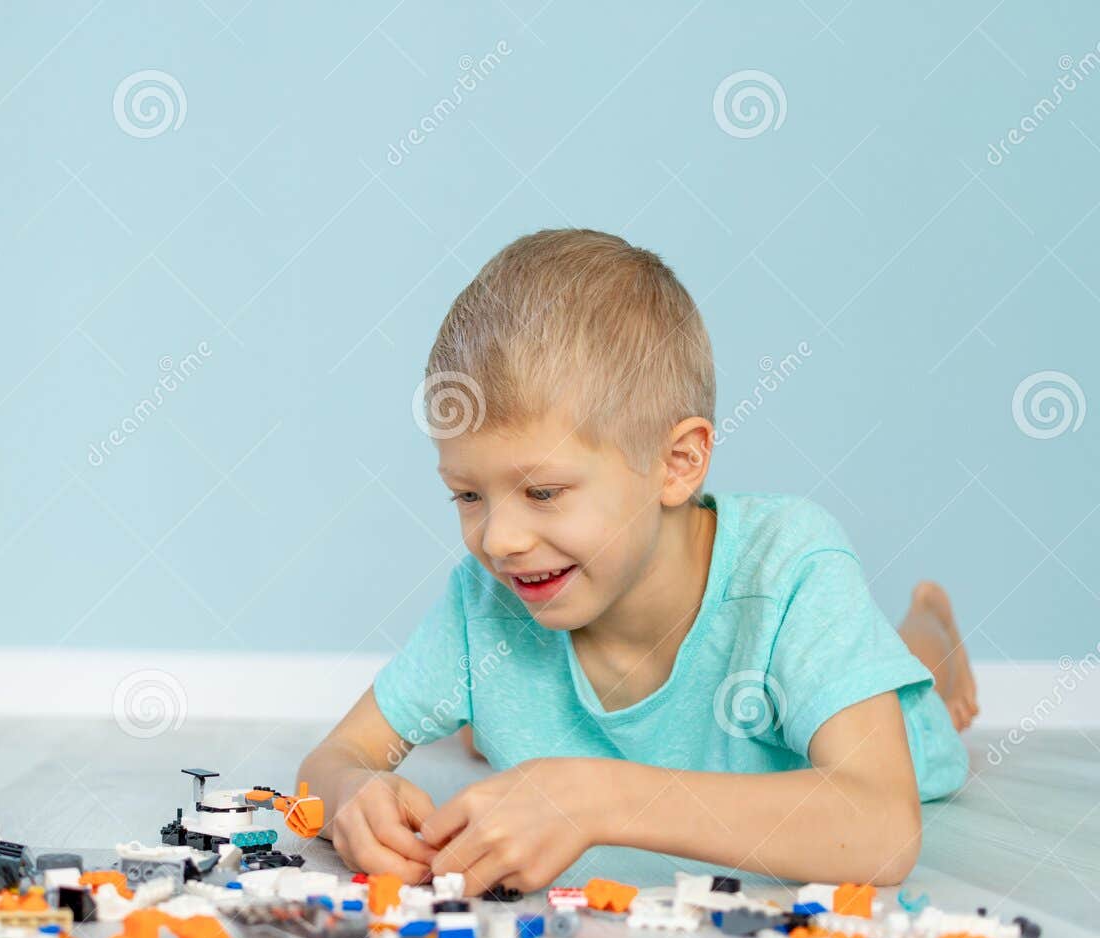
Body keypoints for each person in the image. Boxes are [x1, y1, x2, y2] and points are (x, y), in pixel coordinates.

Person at [297, 229, 976, 897]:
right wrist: (355, 793)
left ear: (678, 464)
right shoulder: (487, 602)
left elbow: (881, 826)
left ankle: (930, 619)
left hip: (896, 718)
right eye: (468, 494)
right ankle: (489, 724)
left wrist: (593, 796)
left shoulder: (791, 566)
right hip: (578, 681)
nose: (499, 539)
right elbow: (326, 764)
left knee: (924, 682)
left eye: (543, 492)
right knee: (496, 713)